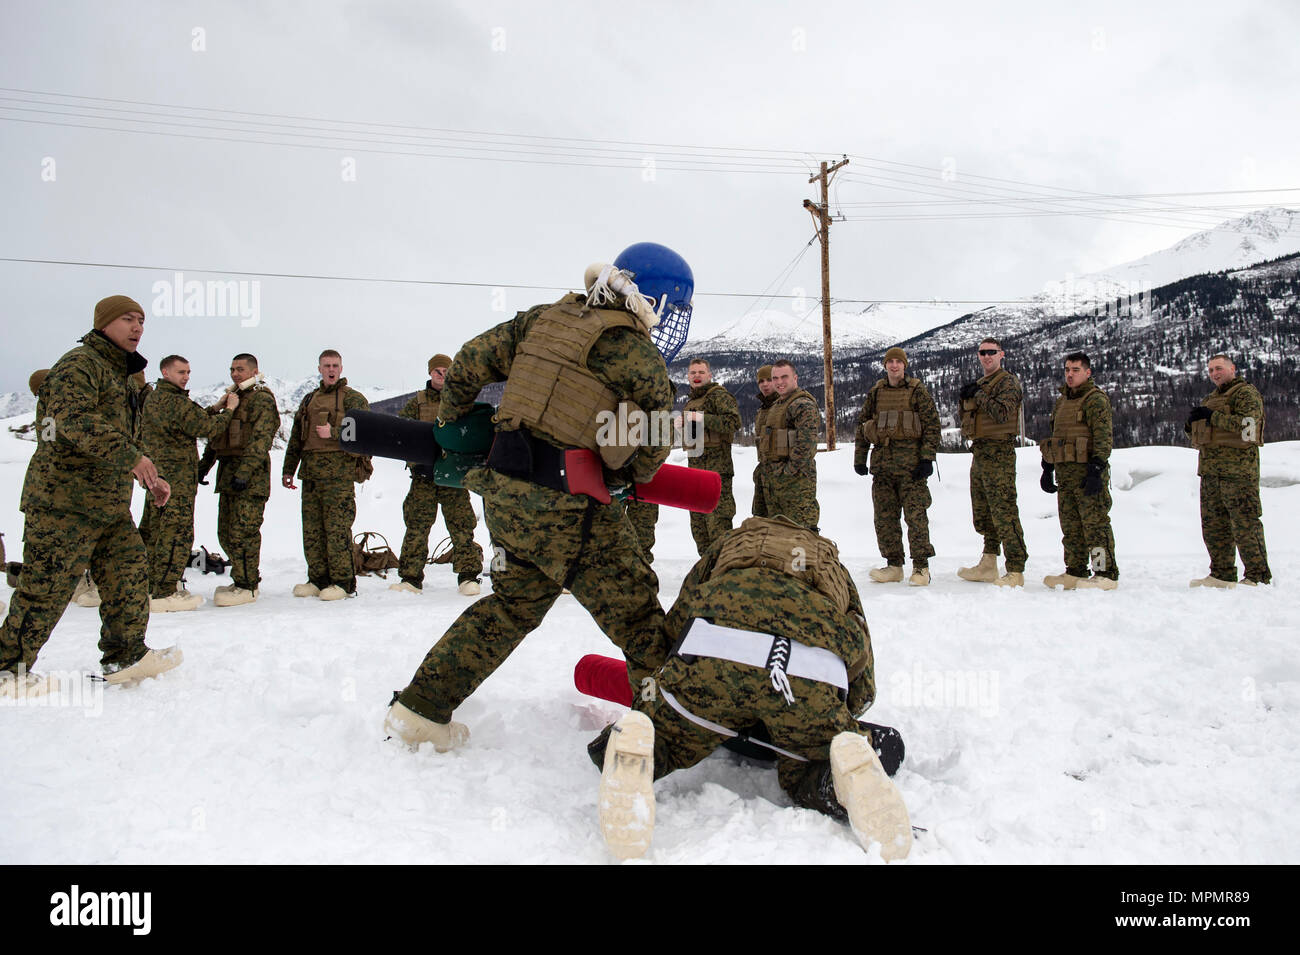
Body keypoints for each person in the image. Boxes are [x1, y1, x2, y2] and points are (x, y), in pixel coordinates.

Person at [382, 243, 686, 751]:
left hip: (503, 495)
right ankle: (682, 723)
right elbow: (653, 446)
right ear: (651, 299)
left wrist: (451, 422)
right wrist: (626, 475)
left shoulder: (544, 319)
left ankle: (420, 709)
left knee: (511, 607)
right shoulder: (638, 354)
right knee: (637, 618)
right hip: (570, 509)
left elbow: (467, 364)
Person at [590, 516, 912, 861]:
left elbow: (678, 619)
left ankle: (644, 743)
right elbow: (860, 652)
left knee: (673, 739)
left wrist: (660, 693)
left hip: (717, 648)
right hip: (806, 670)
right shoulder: (832, 562)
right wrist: (844, 716)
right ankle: (837, 781)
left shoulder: (729, 544)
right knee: (806, 770)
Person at [0, 295, 183, 699]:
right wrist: (131, 456)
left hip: (108, 505)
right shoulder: (80, 364)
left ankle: (124, 655)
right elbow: (73, 420)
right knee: (46, 587)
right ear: (104, 323)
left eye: (141, 320)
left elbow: (120, 436)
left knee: (130, 573)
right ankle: (6, 668)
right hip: (63, 501)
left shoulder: (119, 375)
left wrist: (149, 474)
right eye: (127, 319)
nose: (137, 327)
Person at [138, 355, 239, 612]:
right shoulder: (174, 401)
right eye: (181, 372)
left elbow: (188, 421)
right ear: (165, 372)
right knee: (176, 535)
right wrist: (229, 411)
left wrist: (215, 407)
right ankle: (165, 592)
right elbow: (207, 427)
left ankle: (151, 585)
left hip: (156, 478)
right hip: (176, 481)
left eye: (188, 372)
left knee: (154, 532)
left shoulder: (155, 398)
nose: (186, 377)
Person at [390, 354, 485, 597]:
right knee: (417, 527)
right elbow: (403, 433)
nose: (441, 375)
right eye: (437, 371)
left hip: (453, 476)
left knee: (462, 526)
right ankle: (411, 578)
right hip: (423, 475)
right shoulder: (417, 403)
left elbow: (472, 433)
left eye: (445, 370)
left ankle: (468, 575)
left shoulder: (461, 402)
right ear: (430, 373)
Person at [281, 350, 369, 600]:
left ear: (341, 369)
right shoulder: (309, 399)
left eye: (335, 365)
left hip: (338, 477)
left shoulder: (353, 399)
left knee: (337, 529)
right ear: (319, 368)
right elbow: (297, 436)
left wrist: (334, 431)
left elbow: (366, 434)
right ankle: (317, 579)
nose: (331, 370)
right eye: (326, 365)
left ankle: (342, 582)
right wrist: (289, 468)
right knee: (312, 530)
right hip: (311, 474)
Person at [199, 353, 281, 607]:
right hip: (228, 473)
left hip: (250, 476)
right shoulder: (232, 399)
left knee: (243, 531)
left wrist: (245, 473)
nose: (235, 374)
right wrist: (203, 467)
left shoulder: (261, 399)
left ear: (255, 371)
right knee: (225, 531)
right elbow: (216, 435)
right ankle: (240, 578)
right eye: (232, 369)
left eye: (241, 369)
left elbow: (260, 440)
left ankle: (248, 584)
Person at [853, 347, 940, 587]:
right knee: (885, 518)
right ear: (884, 365)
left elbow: (932, 426)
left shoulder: (917, 391)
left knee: (916, 516)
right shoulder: (877, 392)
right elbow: (862, 426)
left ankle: (921, 566)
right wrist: (859, 458)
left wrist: (926, 458)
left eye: (898, 362)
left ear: (905, 365)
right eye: (890, 362)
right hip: (882, 466)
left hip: (911, 466)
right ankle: (894, 565)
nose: (894, 366)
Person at [1185, 354, 1270, 587]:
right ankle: (1221, 574)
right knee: (1214, 526)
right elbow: (1203, 436)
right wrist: (1192, 425)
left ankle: (1258, 575)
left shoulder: (1245, 394)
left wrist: (1213, 417)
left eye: (1219, 368)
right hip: (1211, 473)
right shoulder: (1211, 398)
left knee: (1245, 524)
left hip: (1238, 473)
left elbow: (1249, 429)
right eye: (1211, 370)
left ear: (1232, 368)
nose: (1214, 373)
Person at [1040, 352, 1118, 590]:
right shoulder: (1062, 401)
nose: (1070, 374)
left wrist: (1096, 468)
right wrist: (1047, 466)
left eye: (1075, 370)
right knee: (1071, 526)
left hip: (1087, 475)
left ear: (1087, 372)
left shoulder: (1095, 399)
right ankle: (1075, 570)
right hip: (1066, 475)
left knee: (1094, 525)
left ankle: (1104, 572)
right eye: (1067, 370)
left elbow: (1103, 438)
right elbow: (1057, 436)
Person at [956, 338, 1027, 587]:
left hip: (999, 452)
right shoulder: (982, 384)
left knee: (1004, 511)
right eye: (982, 353)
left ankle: (1015, 568)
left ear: (1001, 354)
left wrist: (979, 394)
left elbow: (1002, 413)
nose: (986, 357)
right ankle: (988, 562)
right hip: (981, 451)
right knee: (984, 511)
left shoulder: (1008, 382)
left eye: (991, 352)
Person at [680, 358, 740, 555]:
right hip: (695, 474)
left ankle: (723, 576)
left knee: (718, 529)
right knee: (700, 531)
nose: (696, 376)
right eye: (692, 373)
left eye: (701, 372)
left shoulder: (719, 396)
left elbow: (733, 422)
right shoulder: (690, 402)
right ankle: (706, 573)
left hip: (716, 475)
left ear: (709, 375)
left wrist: (703, 418)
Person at [755, 360, 822, 530]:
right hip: (774, 484)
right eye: (775, 378)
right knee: (777, 535)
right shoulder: (777, 405)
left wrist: (787, 472)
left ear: (795, 378)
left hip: (795, 485)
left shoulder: (802, 404)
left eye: (784, 377)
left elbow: (806, 445)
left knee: (800, 534)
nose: (779, 382)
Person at [750, 364, 777, 517]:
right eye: (761, 381)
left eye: (769, 380)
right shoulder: (762, 411)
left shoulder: (785, 405)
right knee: (759, 520)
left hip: (780, 478)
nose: (765, 384)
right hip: (763, 475)